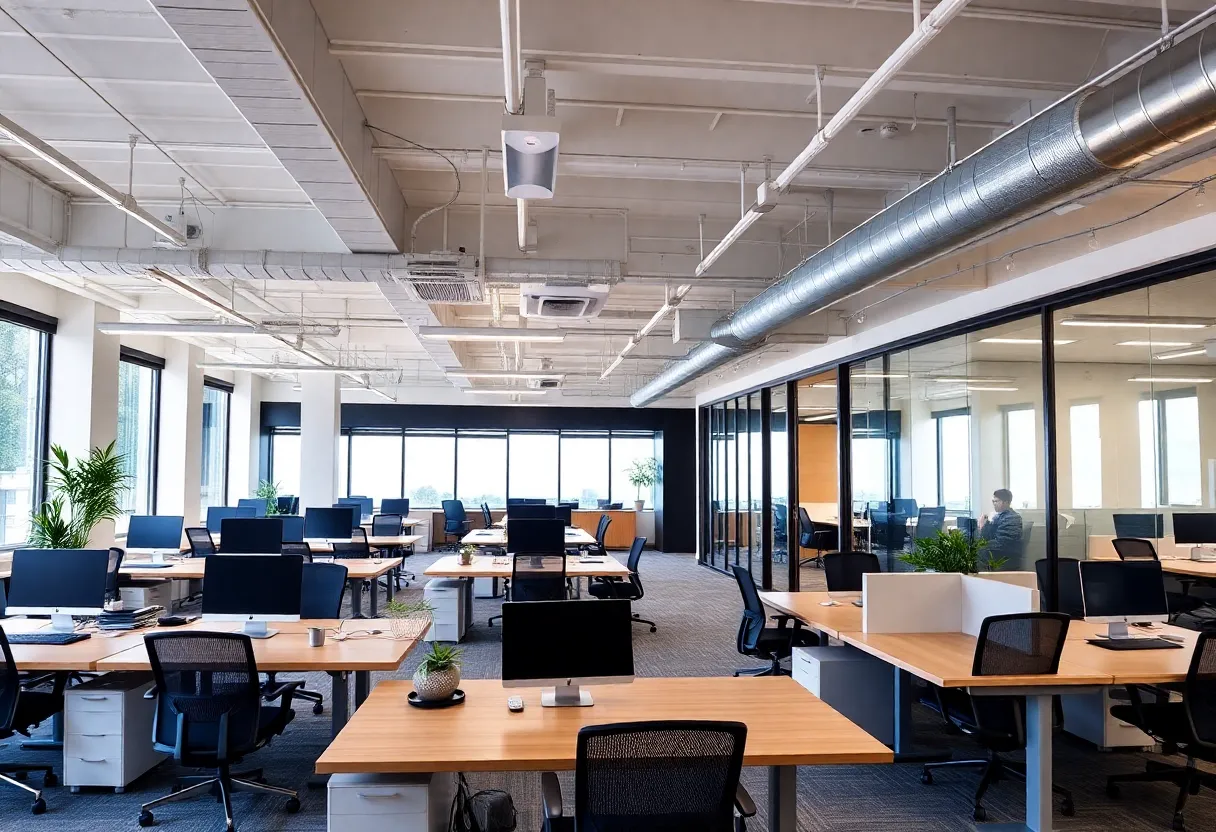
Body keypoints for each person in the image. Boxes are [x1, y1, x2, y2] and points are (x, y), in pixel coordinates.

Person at [978, 488, 1023, 558]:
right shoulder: (1000, 516)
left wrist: (982, 526)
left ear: (1006, 502)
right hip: (999, 551)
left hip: (1006, 554)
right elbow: (987, 537)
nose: (994, 504)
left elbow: (1003, 543)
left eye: (996, 501)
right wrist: (987, 523)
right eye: (993, 501)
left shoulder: (1012, 517)